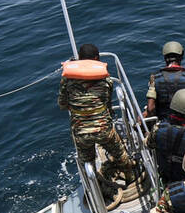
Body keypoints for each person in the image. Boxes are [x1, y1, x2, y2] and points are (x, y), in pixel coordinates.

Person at [58, 43, 136, 185]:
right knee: (119, 153)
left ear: (80, 59)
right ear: (96, 58)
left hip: (81, 131)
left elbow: (62, 105)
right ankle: (130, 177)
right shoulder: (105, 79)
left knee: (87, 161)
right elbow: (107, 104)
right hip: (103, 129)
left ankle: (96, 186)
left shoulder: (67, 80)